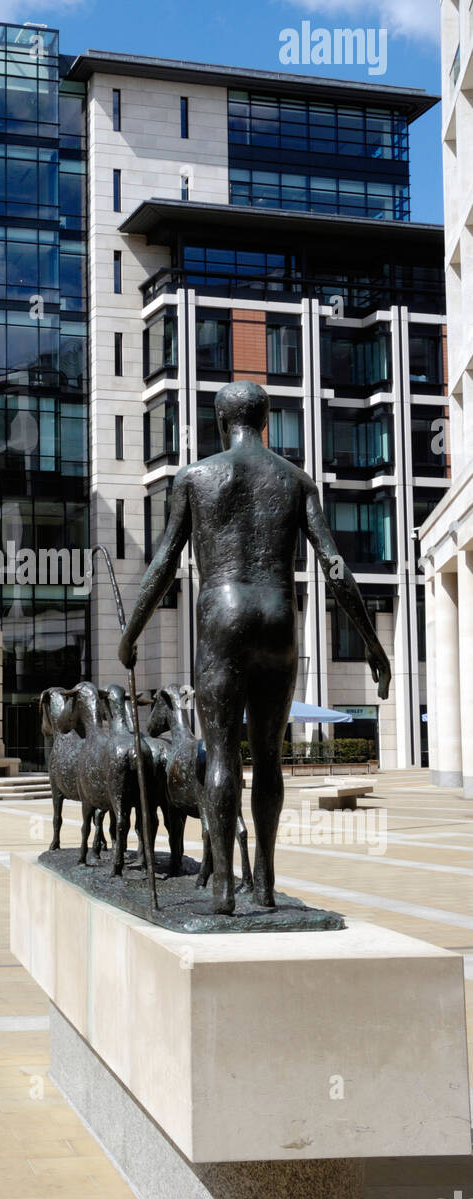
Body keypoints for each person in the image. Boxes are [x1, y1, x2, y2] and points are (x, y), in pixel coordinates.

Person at [119, 379, 391, 917]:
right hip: (276, 615)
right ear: (265, 421)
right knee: (268, 760)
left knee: (221, 753)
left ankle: (222, 887)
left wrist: (130, 635)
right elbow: (335, 567)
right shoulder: (295, 481)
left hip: (223, 614)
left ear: (222, 423)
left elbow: (163, 564)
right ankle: (263, 884)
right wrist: (372, 644)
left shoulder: (196, 477)